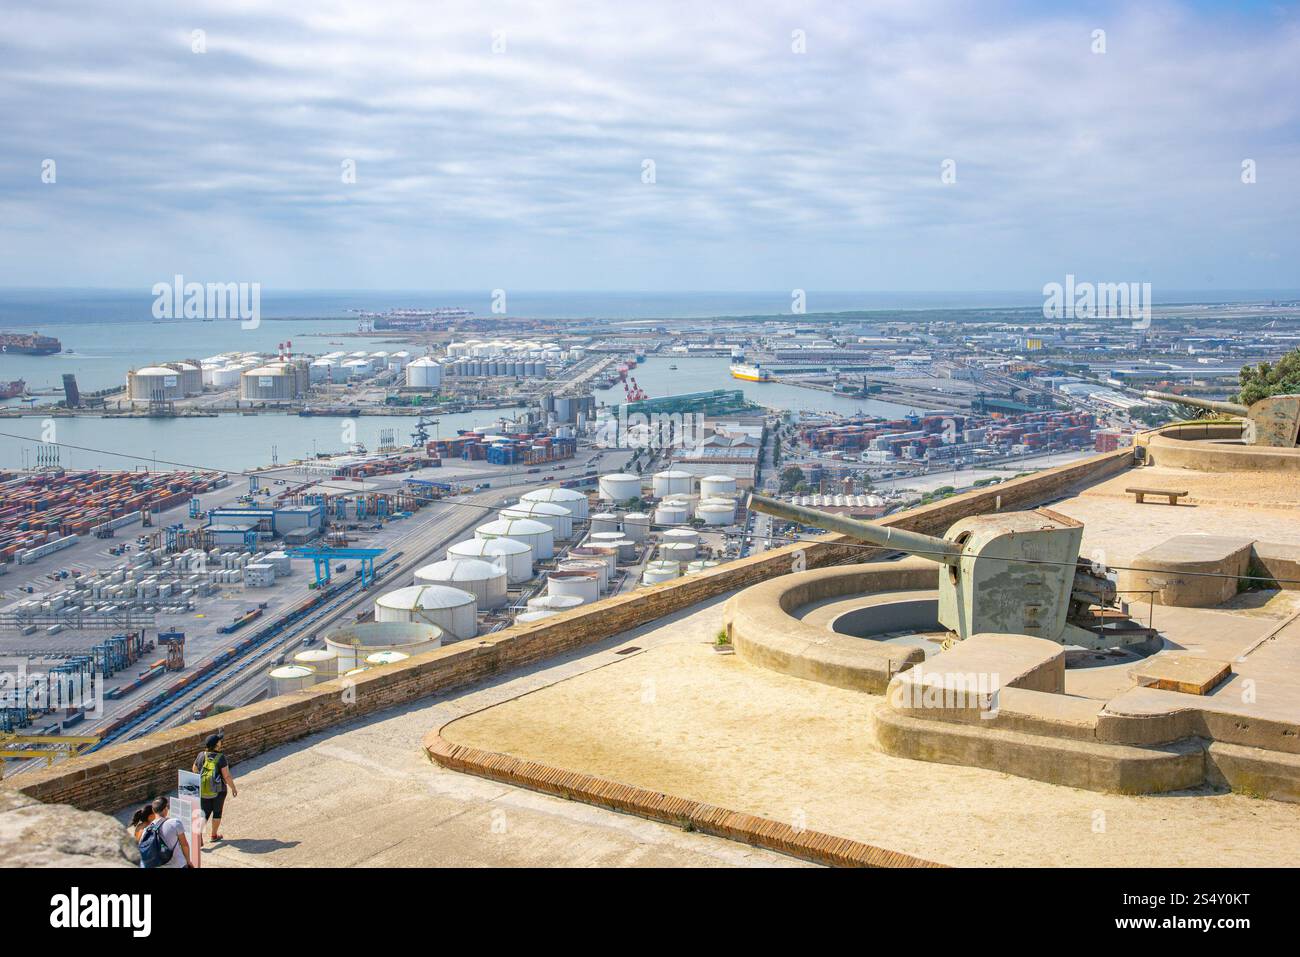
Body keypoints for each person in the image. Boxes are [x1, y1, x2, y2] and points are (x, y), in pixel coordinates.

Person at [193, 730, 237, 842]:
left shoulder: (200, 755)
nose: (221, 742)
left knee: (204, 813)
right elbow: (226, 776)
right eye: (219, 741)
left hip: (203, 790)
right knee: (217, 812)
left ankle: (198, 837)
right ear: (217, 745)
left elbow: (194, 769)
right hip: (219, 791)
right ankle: (213, 835)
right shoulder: (221, 757)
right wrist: (233, 788)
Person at [139, 795, 192, 868]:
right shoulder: (175, 823)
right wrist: (188, 861)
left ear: (153, 810)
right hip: (178, 864)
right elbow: (184, 845)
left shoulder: (146, 830)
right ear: (165, 809)